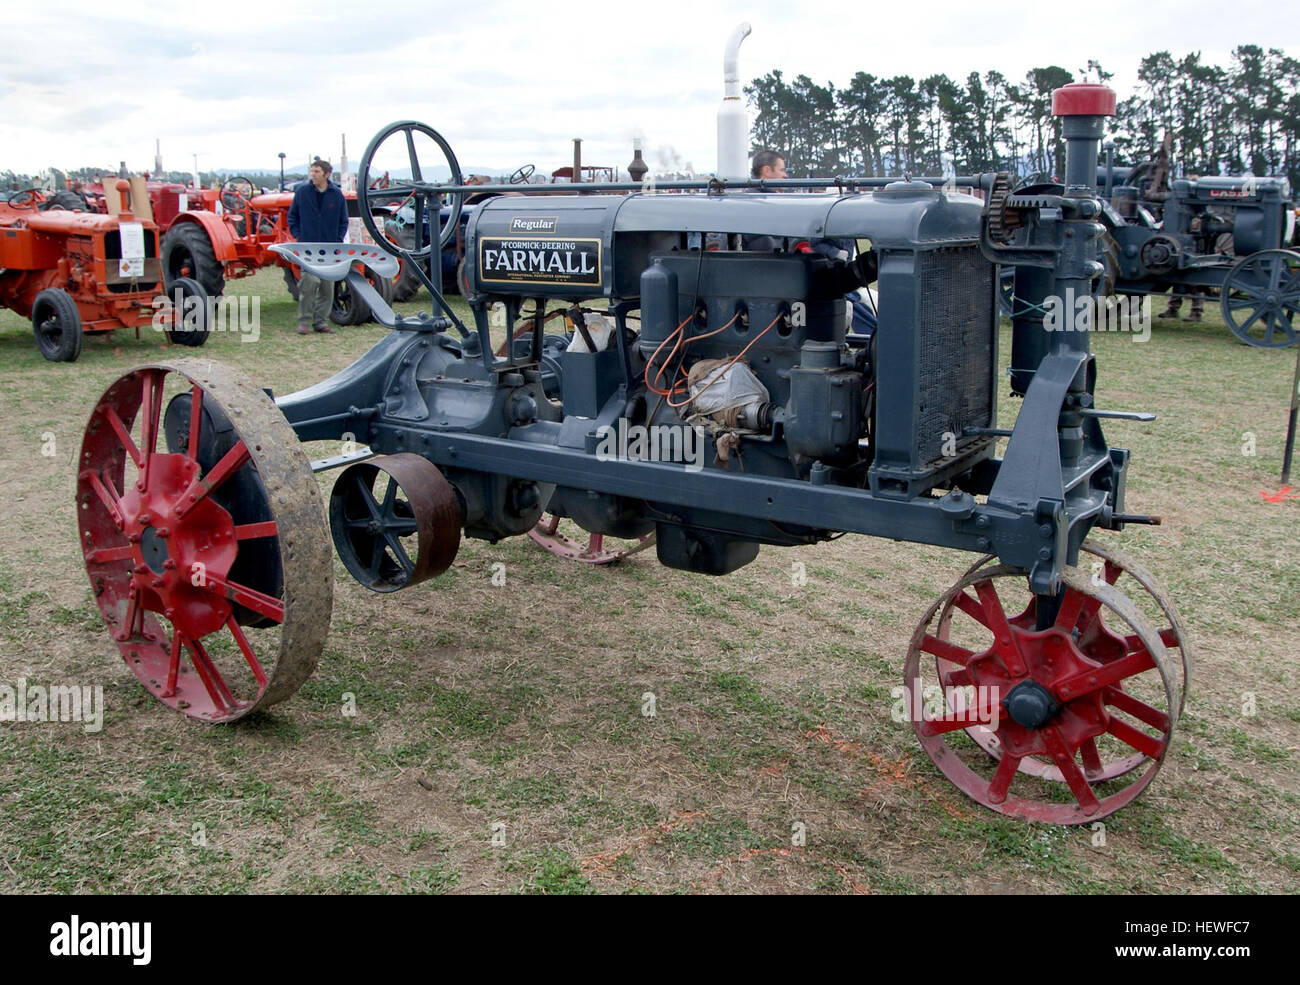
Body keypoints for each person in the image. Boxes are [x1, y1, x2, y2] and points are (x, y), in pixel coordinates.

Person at [288, 158, 349, 335]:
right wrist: (299, 235)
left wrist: (337, 240)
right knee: (309, 282)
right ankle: (304, 322)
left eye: (316, 172)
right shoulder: (302, 192)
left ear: (326, 174)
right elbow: (292, 217)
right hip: (308, 248)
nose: (312, 175)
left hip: (329, 249)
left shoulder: (336, 195)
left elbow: (343, 221)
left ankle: (320, 322)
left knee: (327, 288)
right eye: (311, 171)